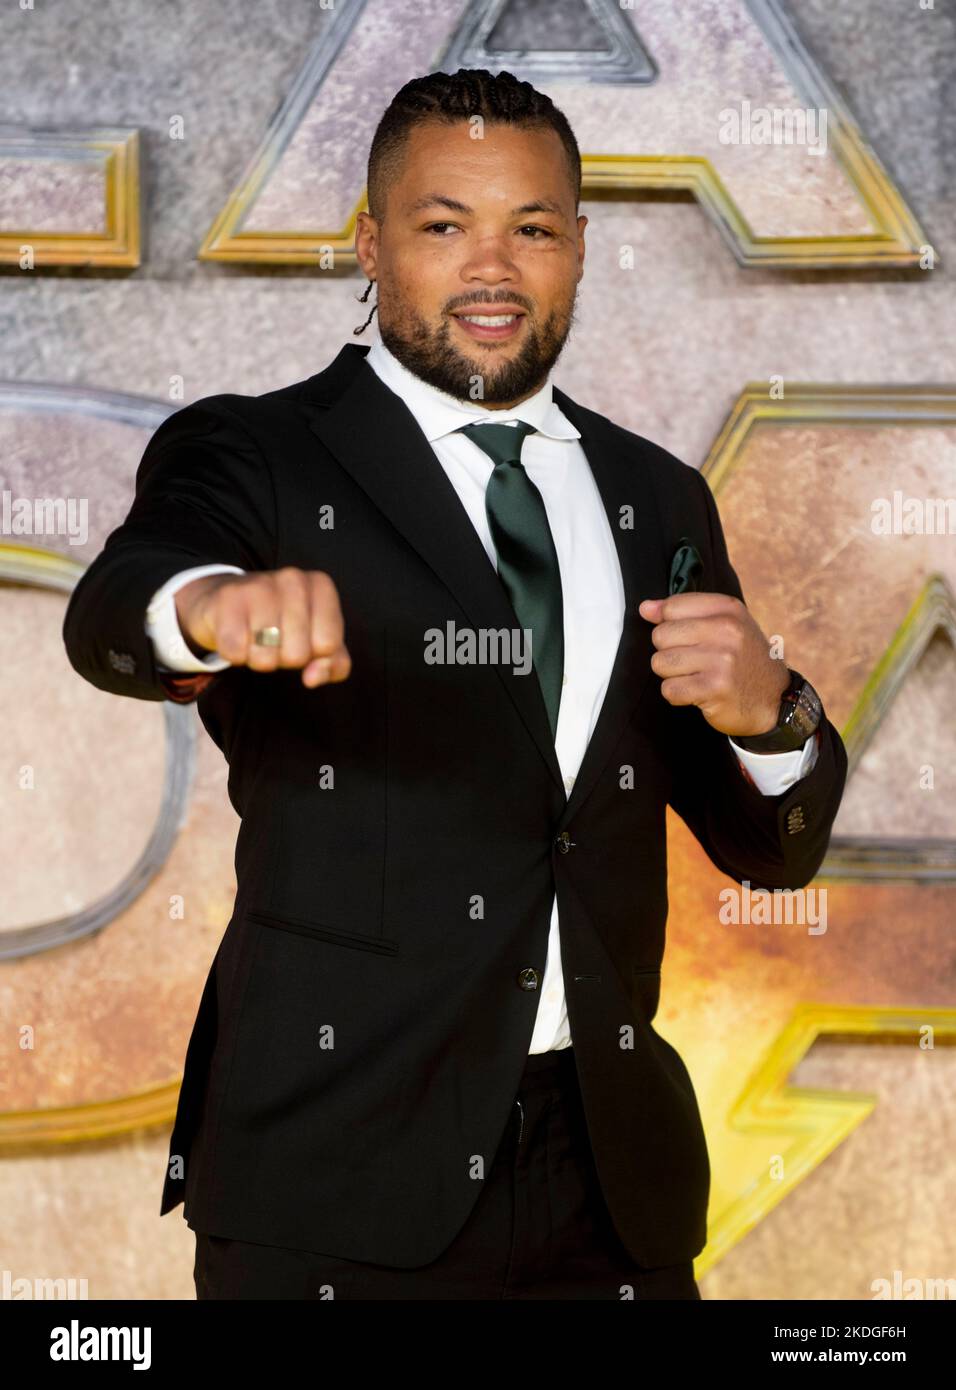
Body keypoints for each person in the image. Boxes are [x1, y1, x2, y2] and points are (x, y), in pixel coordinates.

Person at [62, 68, 847, 1300]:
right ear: (369, 244)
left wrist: (771, 712)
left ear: (578, 248)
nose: (492, 269)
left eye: (530, 229)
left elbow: (772, 851)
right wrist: (211, 608)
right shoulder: (257, 452)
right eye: (442, 226)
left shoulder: (656, 496)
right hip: (335, 1181)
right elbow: (119, 604)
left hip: (610, 1186)